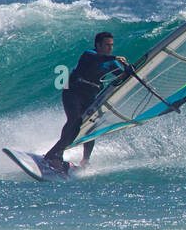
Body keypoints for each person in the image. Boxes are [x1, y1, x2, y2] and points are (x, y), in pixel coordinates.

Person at [45, 31, 128, 170]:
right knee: (74, 121)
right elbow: (97, 58)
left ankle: (85, 161)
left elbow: (122, 76)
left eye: (112, 45)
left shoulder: (111, 63)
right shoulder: (89, 54)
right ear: (98, 45)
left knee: (90, 127)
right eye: (107, 45)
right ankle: (54, 155)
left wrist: (129, 70)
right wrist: (115, 58)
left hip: (90, 96)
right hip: (73, 91)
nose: (110, 48)